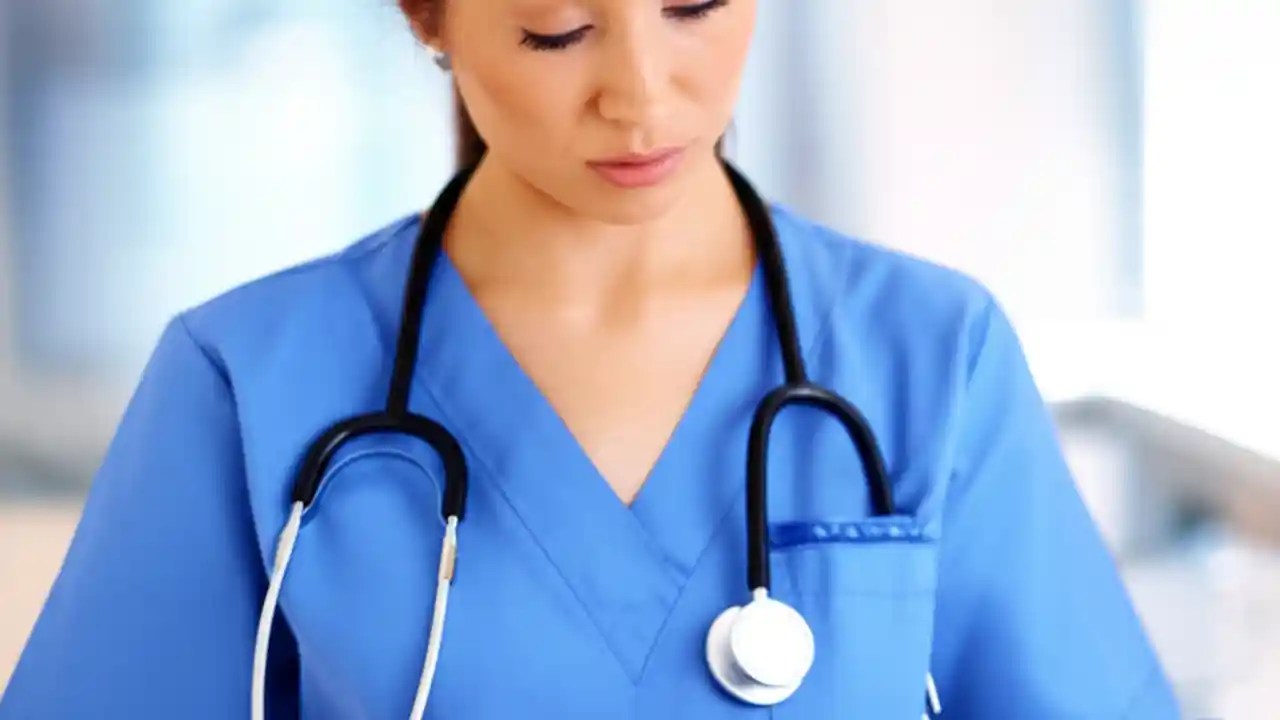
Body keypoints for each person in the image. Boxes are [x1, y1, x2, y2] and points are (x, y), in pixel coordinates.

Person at [1, 1, 1178, 717]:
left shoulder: (926, 357)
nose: (641, 95)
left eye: (696, 4)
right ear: (428, 16)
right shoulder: (251, 380)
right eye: (557, 31)